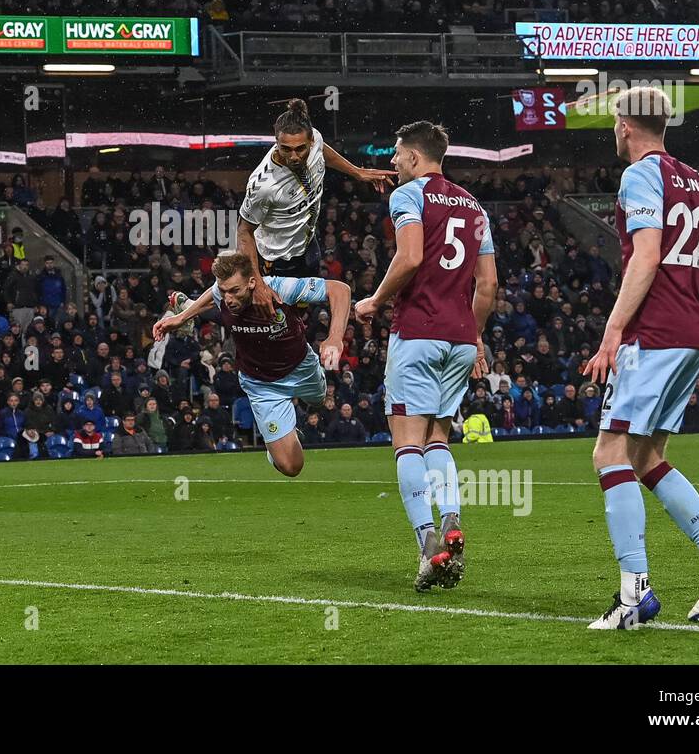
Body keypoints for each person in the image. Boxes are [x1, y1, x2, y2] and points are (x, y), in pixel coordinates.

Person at [581, 86, 699, 630]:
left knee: (609, 455)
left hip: (651, 335)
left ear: (626, 126)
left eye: (614, 122)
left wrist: (613, 330)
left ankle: (635, 594)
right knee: (647, 456)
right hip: (689, 337)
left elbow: (647, 255)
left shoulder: (639, 175)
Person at [354, 120, 497, 592]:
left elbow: (411, 257)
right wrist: (474, 338)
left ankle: (428, 542)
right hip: (459, 336)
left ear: (416, 157)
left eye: (397, 154)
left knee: (406, 442)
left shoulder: (409, 196)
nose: (393, 162)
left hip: (417, 331)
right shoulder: (474, 206)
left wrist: (374, 300)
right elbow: (489, 285)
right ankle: (451, 519)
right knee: (439, 438)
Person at [154, 250, 351, 478]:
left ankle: (285, 428)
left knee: (318, 400)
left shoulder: (280, 288)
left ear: (251, 282)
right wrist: (179, 318)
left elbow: (340, 290)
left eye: (235, 291)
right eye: (225, 291)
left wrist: (335, 337)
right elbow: (214, 293)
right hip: (260, 383)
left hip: (301, 368)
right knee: (291, 467)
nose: (228, 298)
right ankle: (276, 446)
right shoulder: (223, 292)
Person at [236, 97, 394, 316]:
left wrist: (357, 172)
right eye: (285, 149)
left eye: (300, 149)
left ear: (311, 141)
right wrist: (258, 284)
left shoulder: (316, 139)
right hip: (278, 260)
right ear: (276, 141)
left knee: (303, 311)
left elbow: (323, 151)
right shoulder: (263, 185)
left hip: (308, 243)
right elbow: (244, 232)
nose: (293, 156)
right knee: (278, 319)